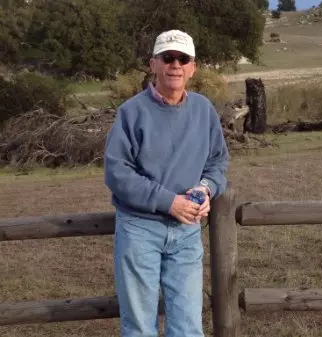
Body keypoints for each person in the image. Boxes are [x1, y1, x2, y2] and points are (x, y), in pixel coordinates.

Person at [104, 29, 229, 337]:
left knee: (188, 327)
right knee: (139, 328)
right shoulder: (131, 112)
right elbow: (117, 173)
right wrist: (169, 202)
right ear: (153, 64)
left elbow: (217, 162)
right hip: (139, 229)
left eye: (183, 59)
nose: (175, 65)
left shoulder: (204, 110)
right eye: (168, 58)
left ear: (192, 67)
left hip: (186, 232)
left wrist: (206, 187)